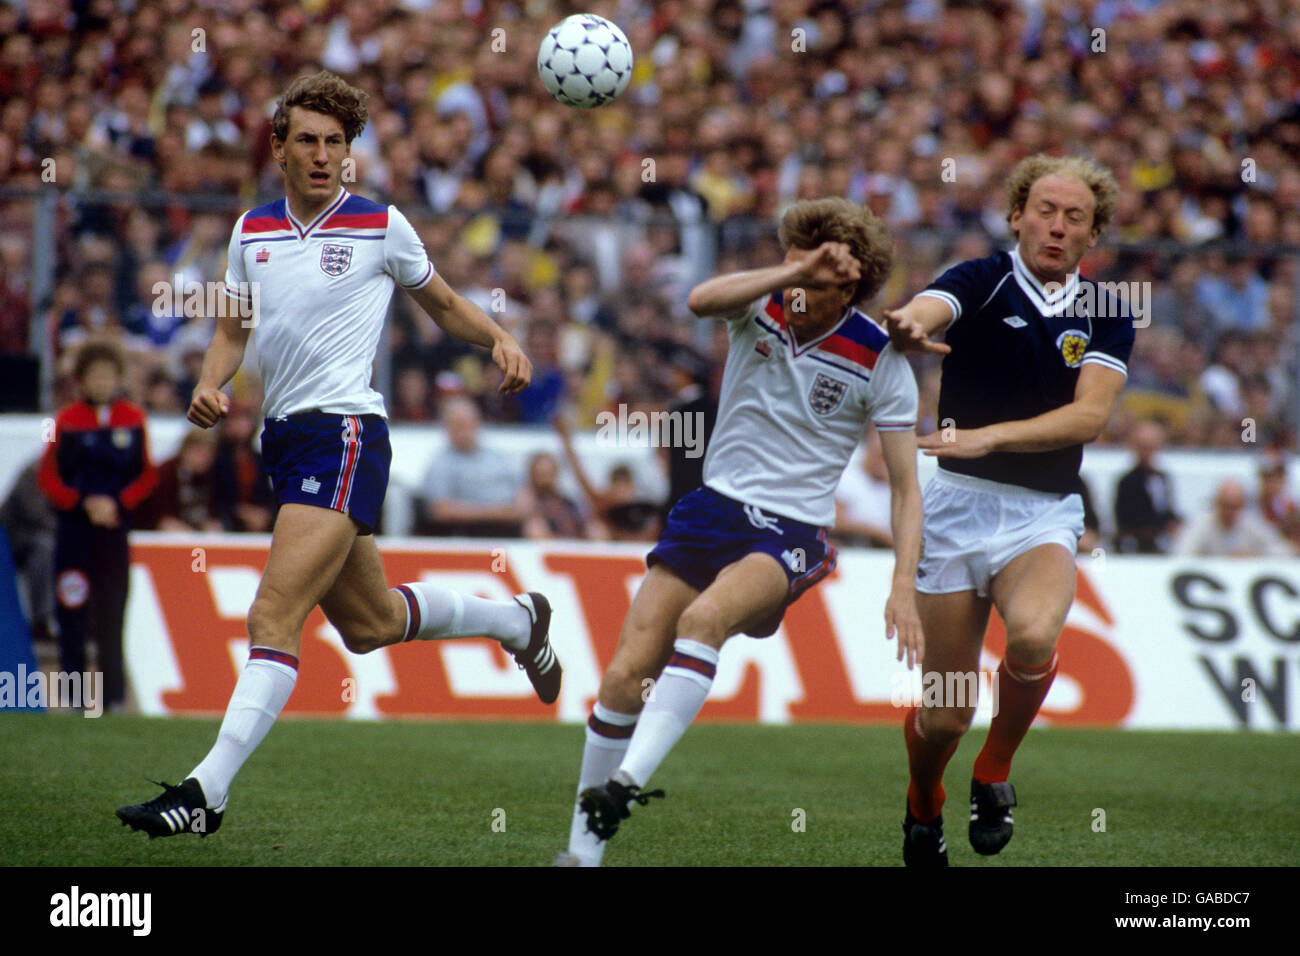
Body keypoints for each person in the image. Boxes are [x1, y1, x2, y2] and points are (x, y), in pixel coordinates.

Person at [117, 71, 562, 840]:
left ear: (349, 153)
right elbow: (231, 327)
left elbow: (446, 304)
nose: (324, 156)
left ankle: (205, 793)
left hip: (347, 432)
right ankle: (518, 622)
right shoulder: (250, 230)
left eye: (337, 143)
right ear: (280, 149)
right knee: (371, 623)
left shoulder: (381, 224)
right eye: (309, 142)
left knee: (271, 612)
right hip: (285, 440)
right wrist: (208, 385)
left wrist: (499, 336)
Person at [558, 197, 923, 866]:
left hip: (790, 529)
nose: (799, 279)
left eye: (817, 271)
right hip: (711, 509)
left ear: (851, 283)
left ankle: (628, 782)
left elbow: (905, 489)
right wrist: (795, 270)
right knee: (622, 675)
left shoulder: (882, 360)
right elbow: (700, 298)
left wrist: (903, 584)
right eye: (794, 259)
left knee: (703, 621)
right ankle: (581, 855)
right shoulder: (760, 306)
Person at [882, 154, 1134, 866]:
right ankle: (924, 799)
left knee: (1031, 637)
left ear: (1093, 235)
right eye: (1045, 210)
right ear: (1017, 215)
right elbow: (930, 310)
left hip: (1042, 513)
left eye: (1075, 217)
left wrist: (989, 436)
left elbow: (1087, 419)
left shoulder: (1109, 313)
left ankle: (993, 771)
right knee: (944, 714)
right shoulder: (979, 278)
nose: (1057, 226)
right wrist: (906, 325)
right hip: (957, 511)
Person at [38, 339, 158, 712]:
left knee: (112, 610)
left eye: (109, 375)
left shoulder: (135, 419)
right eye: (95, 376)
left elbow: (147, 474)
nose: (102, 382)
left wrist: (117, 503)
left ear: (119, 378)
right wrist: (81, 503)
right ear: (81, 380)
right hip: (74, 532)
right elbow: (47, 475)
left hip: (114, 532)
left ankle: (113, 698)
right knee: (71, 609)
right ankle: (75, 699)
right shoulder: (62, 421)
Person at [419, 396, 526, 537]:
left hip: (511, 527)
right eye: (459, 425)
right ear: (447, 428)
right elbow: (439, 510)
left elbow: (523, 491)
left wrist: (519, 509)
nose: (465, 430)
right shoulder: (440, 464)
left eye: (470, 424)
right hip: (470, 532)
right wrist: (494, 513)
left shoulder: (498, 457)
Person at [1173, 479, 1293, 557]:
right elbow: (1181, 554)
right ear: (1216, 503)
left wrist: (1254, 555)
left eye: (1234, 507)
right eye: (1225, 505)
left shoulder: (1250, 524)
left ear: (1242, 506)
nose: (1229, 512)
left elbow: (1284, 552)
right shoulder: (1201, 524)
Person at [1113, 418, 1180, 553]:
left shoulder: (1162, 478)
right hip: (1139, 542)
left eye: (1151, 447)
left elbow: (1166, 508)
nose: (1147, 453)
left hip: (1162, 539)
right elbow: (1126, 518)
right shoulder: (1127, 481)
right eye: (1143, 447)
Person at [833, 426, 894, 548]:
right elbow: (834, 521)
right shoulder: (848, 478)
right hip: (856, 551)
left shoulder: (890, 486)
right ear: (869, 450)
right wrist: (878, 533)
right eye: (881, 456)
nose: (884, 463)